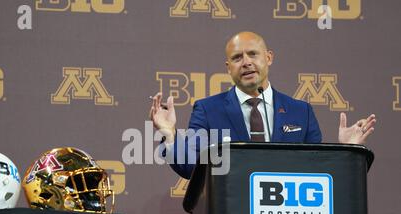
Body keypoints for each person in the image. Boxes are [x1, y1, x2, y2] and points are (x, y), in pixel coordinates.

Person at [149, 31, 376, 179]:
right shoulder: (208, 110)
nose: (246, 62)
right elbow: (192, 169)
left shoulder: (301, 112)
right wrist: (169, 135)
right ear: (228, 67)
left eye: (253, 54)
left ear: (268, 58)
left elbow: (317, 173)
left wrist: (349, 152)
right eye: (237, 58)